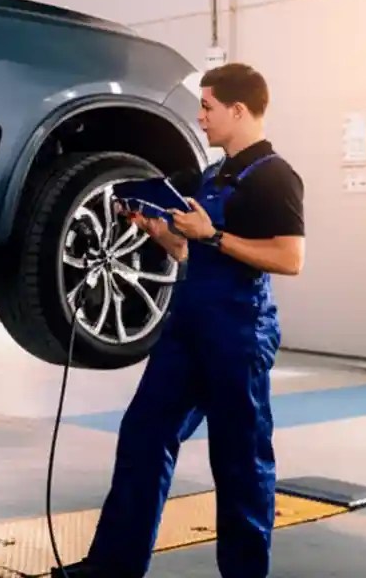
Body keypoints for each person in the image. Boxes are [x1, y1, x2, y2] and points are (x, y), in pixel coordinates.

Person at [54, 62, 305, 578]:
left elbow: (289, 258)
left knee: (239, 462)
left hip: (238, 334)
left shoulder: (275, 176)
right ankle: (113, 569)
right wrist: (162, 233)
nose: (201, 117)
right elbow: (194, 253)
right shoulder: (213, 175)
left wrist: (212, 235)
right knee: (143, 435)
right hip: (188, 329)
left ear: (239, 110)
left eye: (208, 107)